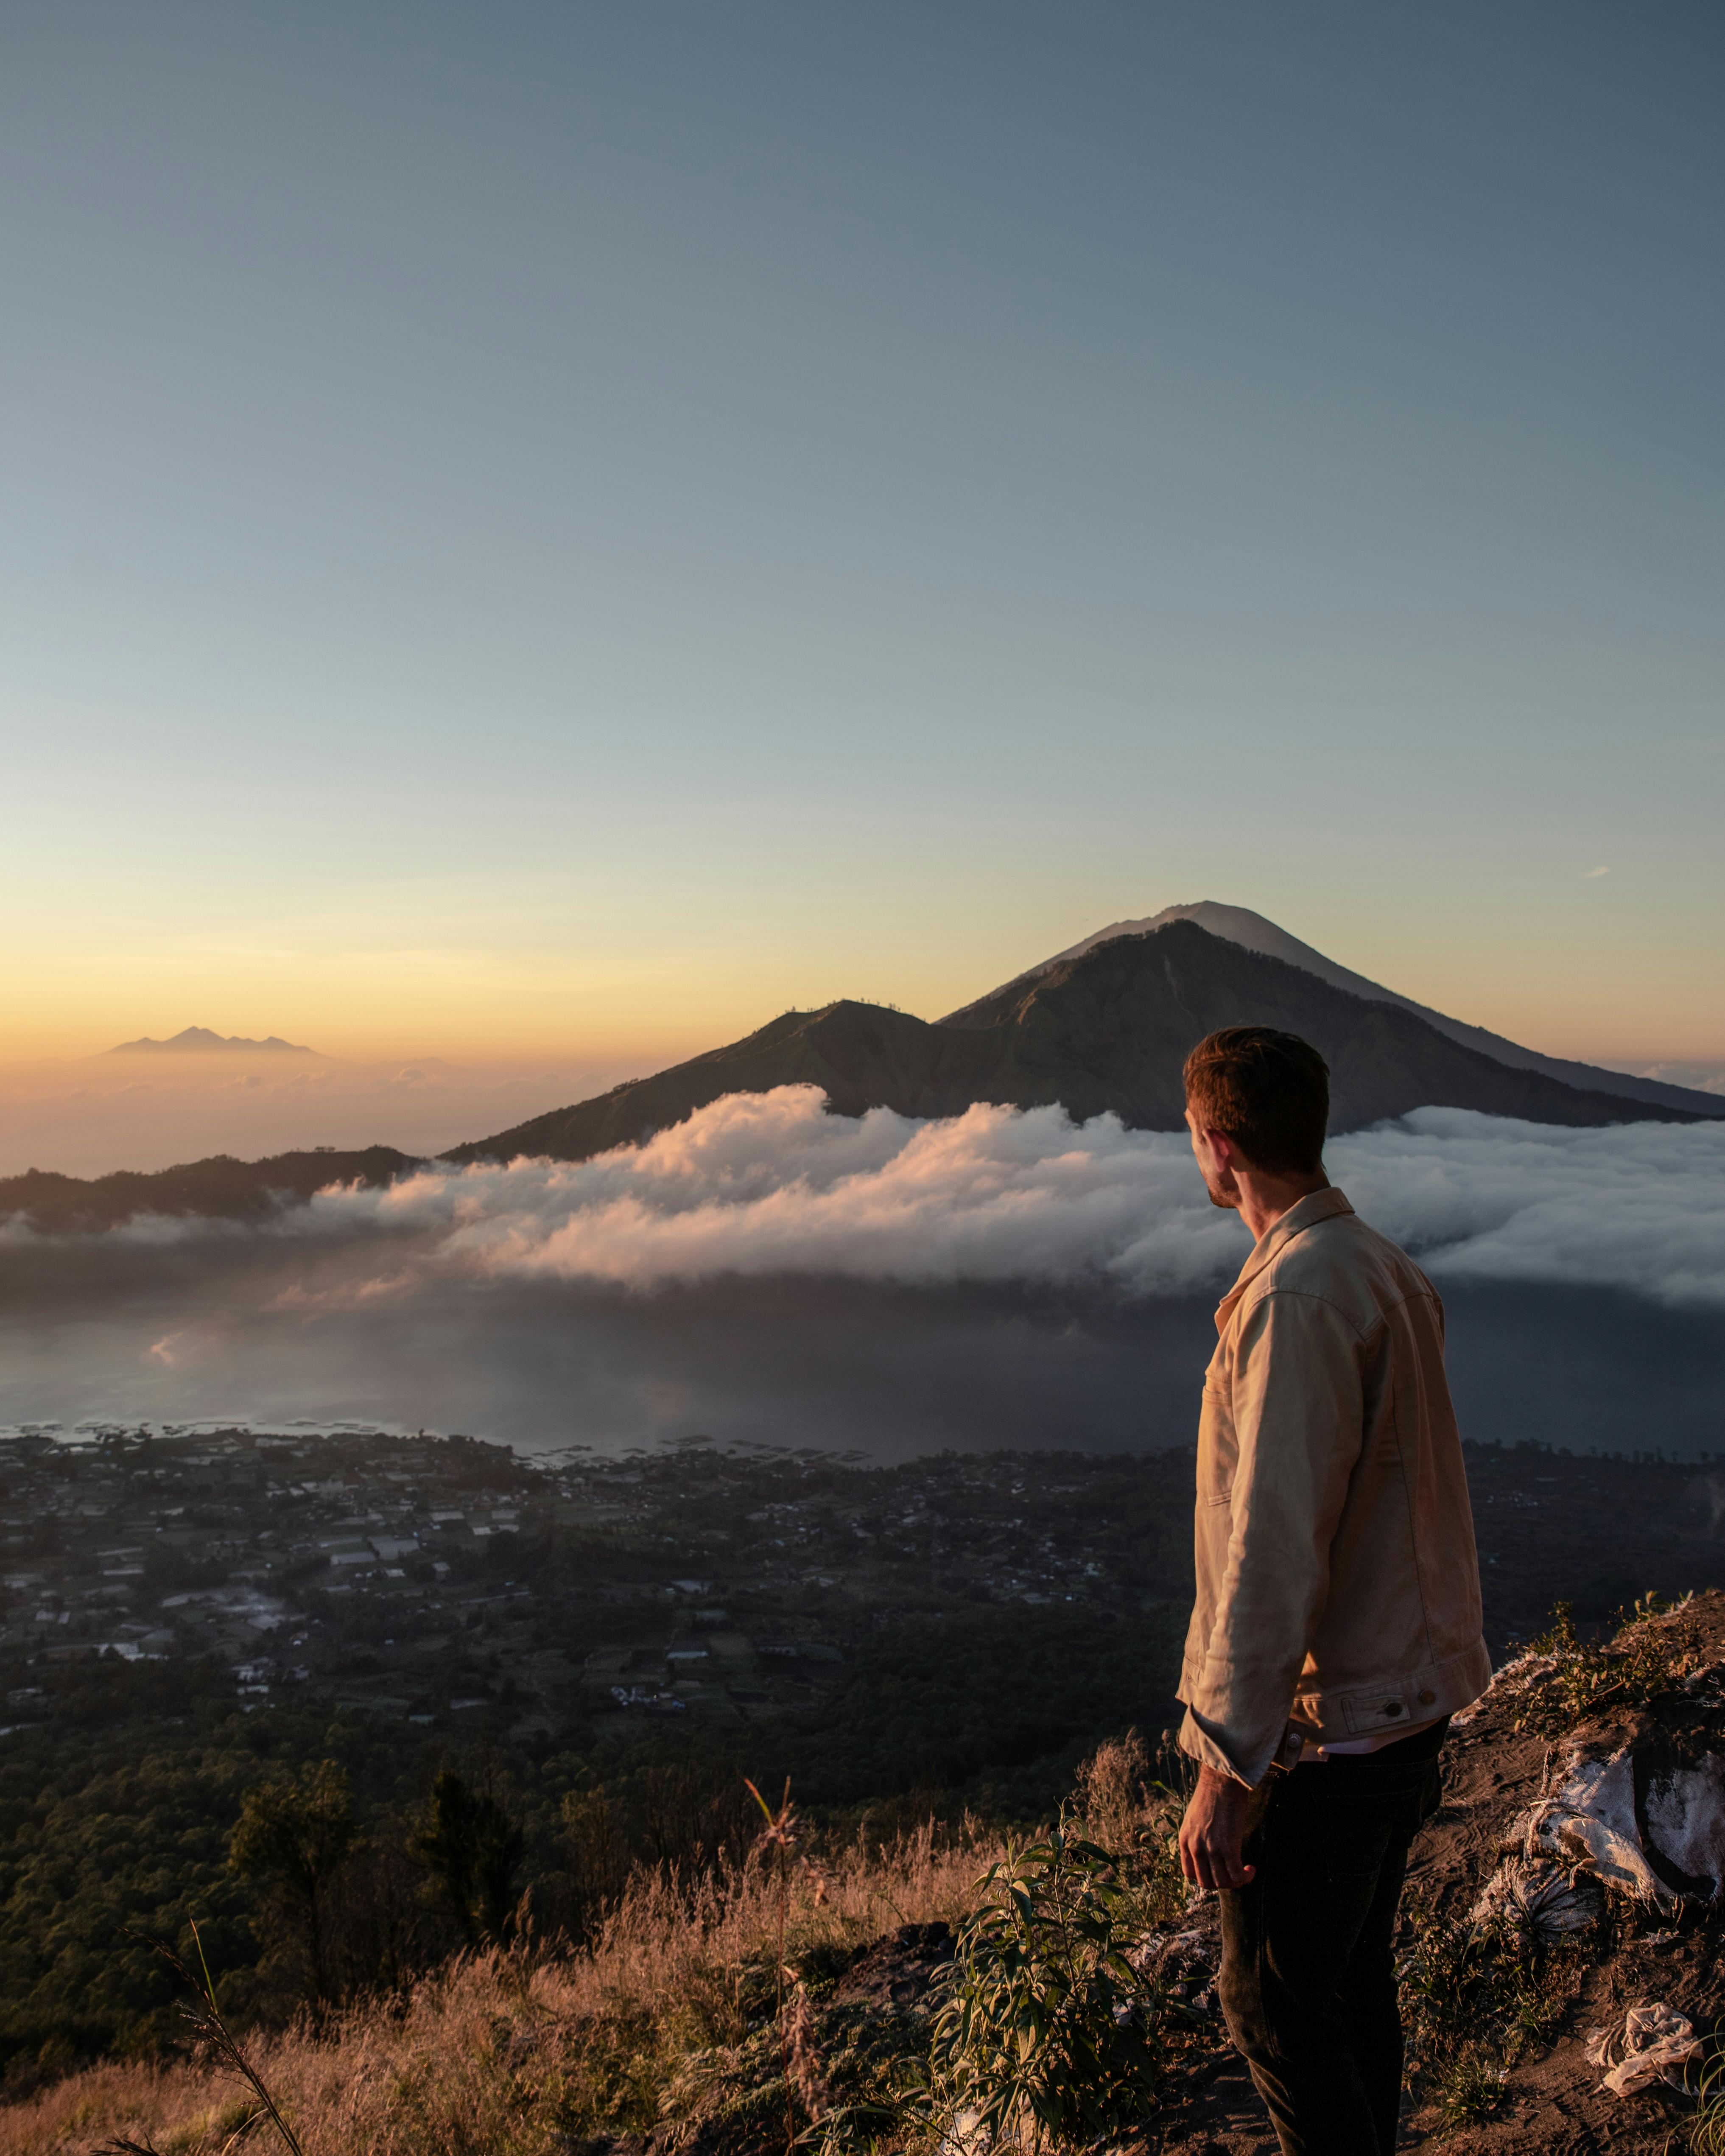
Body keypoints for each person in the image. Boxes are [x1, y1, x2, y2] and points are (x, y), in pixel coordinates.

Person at [1174, 1025, 1490, 2156]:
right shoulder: (1378, 1265)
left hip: (1331, 1730)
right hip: (1403, 1701)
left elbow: (1274, 1546)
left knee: (1269, 2005)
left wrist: (1225, 1767)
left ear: (1219, 1144)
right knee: (1346, 1988)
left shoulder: (1297, 1297)